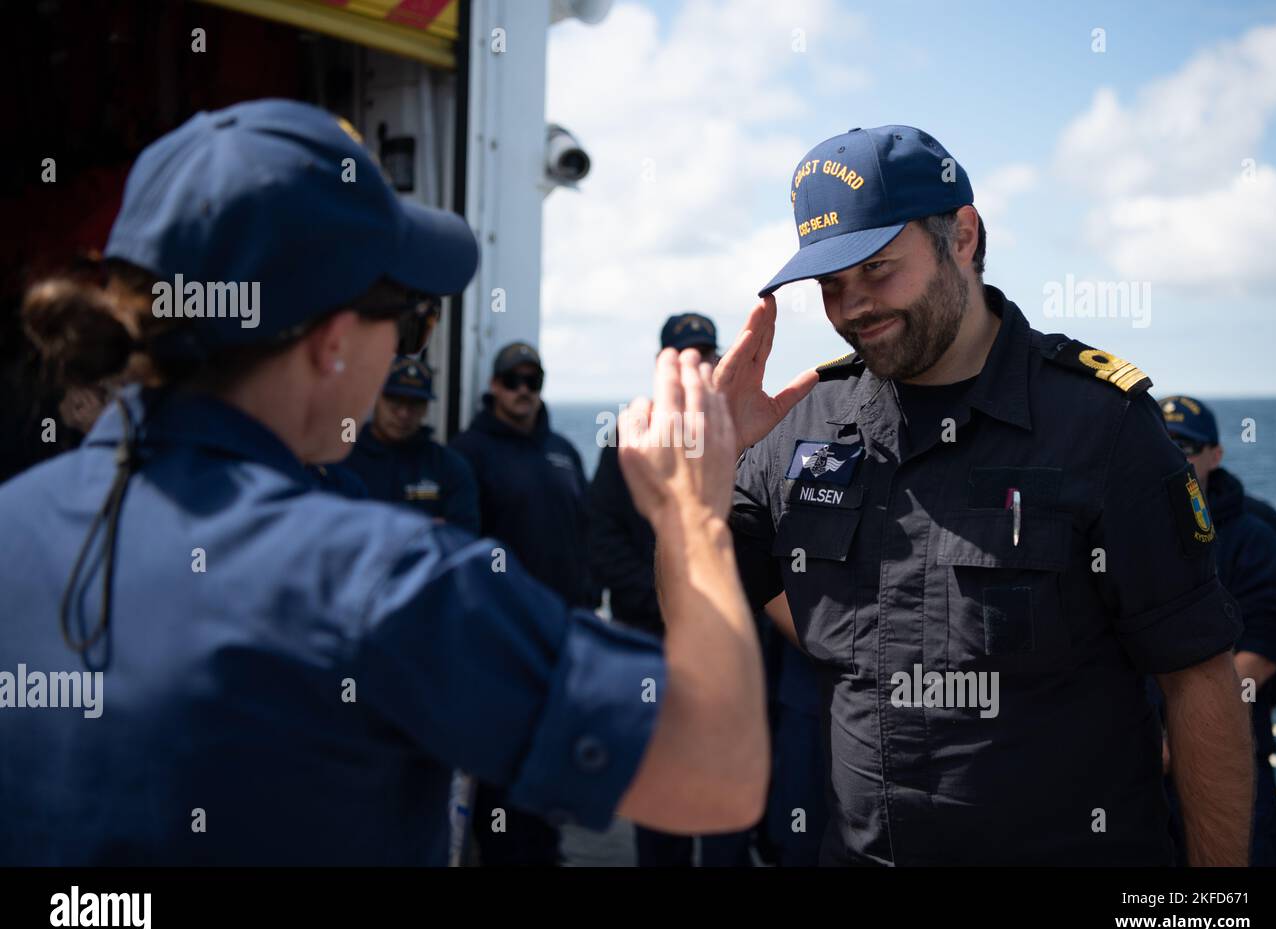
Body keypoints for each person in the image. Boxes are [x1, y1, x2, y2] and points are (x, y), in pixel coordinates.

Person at [0, 99, 769, 865]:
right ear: (333, 341)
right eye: (410, 318)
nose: (411, 350)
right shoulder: (382, 581)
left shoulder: (16, 520)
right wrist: (692, 514)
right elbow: (717, 775)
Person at [714, 124, 1253, 866]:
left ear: (962, 236)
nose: (853, 306)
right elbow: (698, 600)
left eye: (877, 269)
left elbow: (1199, 680)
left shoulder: (1103, 429)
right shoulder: (802, 427)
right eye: (832, 285)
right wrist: (709, 471)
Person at [589, 312, 756, 866]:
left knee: (727, 808)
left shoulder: (741, 433)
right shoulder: (628, 438)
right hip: (650, 643)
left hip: (725, 640)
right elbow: (604, 533)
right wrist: (663, 599)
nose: (700, 364)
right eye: (686, 355)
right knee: (661, 799)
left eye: (707, 353)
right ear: (664, 363)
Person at [450, 341, 599, 864]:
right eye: (512, 380)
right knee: (501, 782)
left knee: (550, 771)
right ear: (494, 386)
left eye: (532, 381)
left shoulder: (562, 450)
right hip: (502, 645)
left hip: (564, 642)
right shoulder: (468, 454)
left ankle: (545, 853)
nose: (522, 391)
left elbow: (587, 533)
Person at [1160, 395, 1276, 866]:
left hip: (1231, 756)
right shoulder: (1123, 529)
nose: (1174, 455)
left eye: (1187, 446)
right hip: (1136, 769)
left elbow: (1264, 651)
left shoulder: (1255, 534)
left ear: (1215, 455)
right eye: (1163, 443)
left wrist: (1189, 735)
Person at [345, 356, 480, 532]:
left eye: (415, 404)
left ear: (425, 408)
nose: (403, 414)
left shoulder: (448, 467)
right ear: (376, 398)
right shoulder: (346, 459)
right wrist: (426, 531)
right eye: (395, 401)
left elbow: (462, 540)